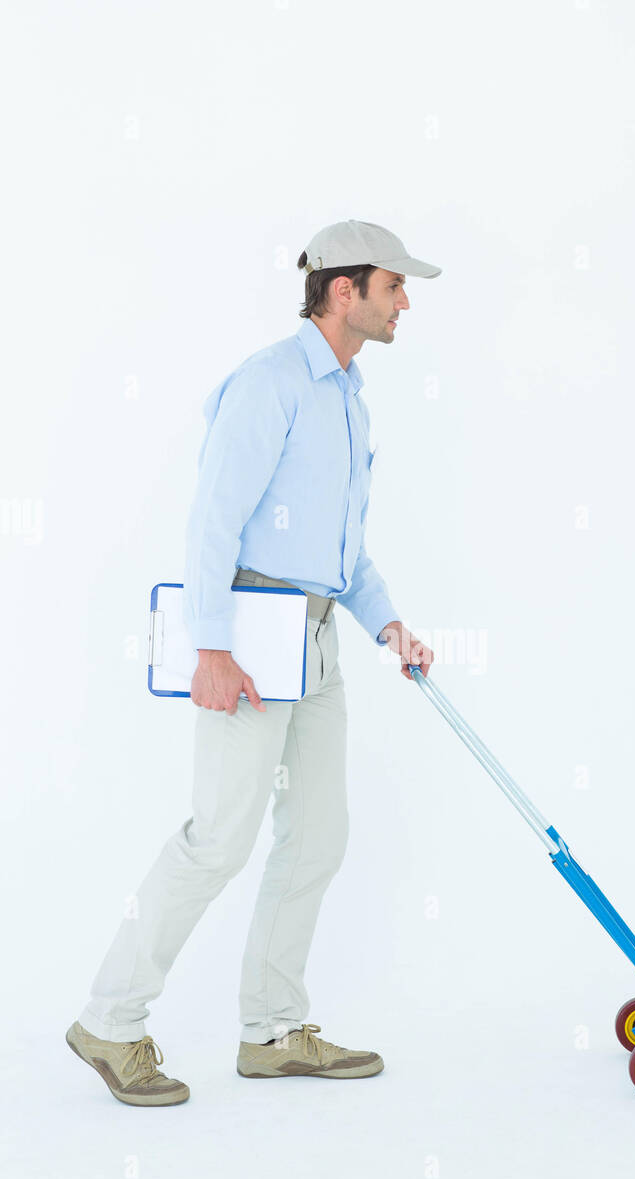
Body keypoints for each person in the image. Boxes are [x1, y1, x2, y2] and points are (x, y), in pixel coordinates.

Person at [66, 219, 439, 1106]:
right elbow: (214, 521)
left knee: (318, 835)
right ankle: (110, 1022)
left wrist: (389, 625)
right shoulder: (270, 383)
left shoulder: (348, 398)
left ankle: (272, 1031)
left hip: (317, 644)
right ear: (344, 288)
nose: (405, 302)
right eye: (393, 285)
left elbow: (343, 550)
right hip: (249, 639)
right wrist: (211, 649)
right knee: (220, 838)